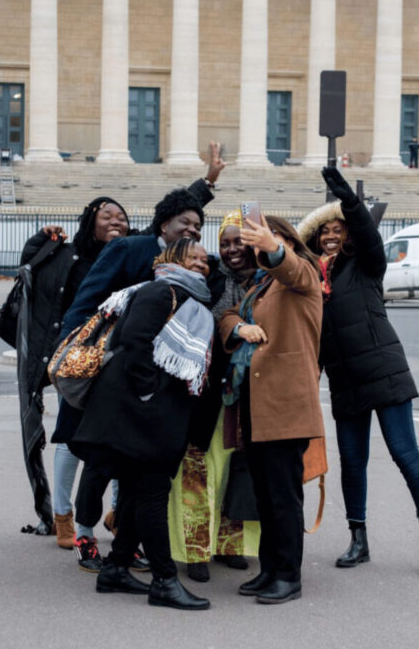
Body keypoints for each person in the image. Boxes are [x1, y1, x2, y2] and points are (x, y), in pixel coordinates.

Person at [56, 146, 224, 571]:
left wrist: (207, 185)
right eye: (185, 224)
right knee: (97, 460)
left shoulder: (191, 270)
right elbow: (87, 301)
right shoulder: (131, 249)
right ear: (163, 225)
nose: (193, 231)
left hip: (148, 386)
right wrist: (72, 353)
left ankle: (124, 540)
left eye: (198, 227)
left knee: (130, 466)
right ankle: (83, 533)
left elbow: (186, 216)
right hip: (108, 371)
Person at [299, 167, 419, 576]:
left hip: (383, 370)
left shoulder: (364, 263)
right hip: (345, 380)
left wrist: (349, 201)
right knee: (352, 461)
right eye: (324, 232)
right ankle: (358, 539)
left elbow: (367, 233)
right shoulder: (312, 280)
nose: (330, 236)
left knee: (403, 452)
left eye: (337, 230)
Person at [70, 239, 215, 610]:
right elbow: (135, 340)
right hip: (138, 413)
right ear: (172, 259)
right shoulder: (160, 290)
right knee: (152, 493)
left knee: (139, 492)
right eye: (193, 257)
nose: (201, 264)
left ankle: (115, 568)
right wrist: (149, 392)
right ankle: (165, 580)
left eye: (204, 260)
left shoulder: (189, 300)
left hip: (145, 414)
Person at [219, 214, 323, 605]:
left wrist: (273, 246)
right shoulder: (262, 285)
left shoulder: (302, 275)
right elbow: (229, 314)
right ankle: (269, 569)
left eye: (274, 236)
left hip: (286, 405)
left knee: (283, 496)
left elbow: (290, 267)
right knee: (264, 494)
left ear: (290, 242)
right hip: (257, 404)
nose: (261, 242)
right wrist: (240, 328)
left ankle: (288, 576)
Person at [12, 198, 129, 541]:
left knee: (121, 439)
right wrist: (40, 239)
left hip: (118, 358)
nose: (115, 221)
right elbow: (31, 267)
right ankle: (63, 515)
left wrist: (206, 186)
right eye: (106, 216)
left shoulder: (132, 252)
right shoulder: (70, 255)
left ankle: (117, 513)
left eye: (121, 217)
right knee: (70, 436)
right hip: (77, 359)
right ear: (90, 221)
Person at [169, 210, 260, 583]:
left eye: (239, 242)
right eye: (225, 243)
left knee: (237, 470)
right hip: (205, 395)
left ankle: (230, 545)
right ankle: (195, 550)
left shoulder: (267, 280)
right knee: (197, 472)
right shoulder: (211, 280)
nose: (232, 249)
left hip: (248, 394)